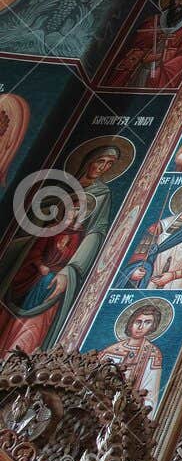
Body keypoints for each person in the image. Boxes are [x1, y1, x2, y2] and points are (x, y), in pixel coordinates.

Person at [0, 142, 127, 352]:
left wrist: (71, 269)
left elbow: (97, 230)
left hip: (62, 262)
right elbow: (34, 216)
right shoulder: (61, 185)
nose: (104, 167)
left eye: (109, 164)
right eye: (101, 161)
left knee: (45, 302)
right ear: (89, 161)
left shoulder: (102, 193)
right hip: (30, 259)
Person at [122, 182, 182, 291]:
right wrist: (134, 271)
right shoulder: (160, 226)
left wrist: (174, 275)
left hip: (178, 282)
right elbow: (141, 253)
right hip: (151, 281)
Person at [107, 0, 182, 88]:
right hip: (147, 56)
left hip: (172, 57)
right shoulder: (155, 19)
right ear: (173, 0)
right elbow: (139, 40)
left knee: (170, 67)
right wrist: (151, 45)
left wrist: (162, 57)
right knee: (128, 71)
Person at [96, 301, 167, 413]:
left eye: (147, 322)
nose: (141, 327)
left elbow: (150, 395)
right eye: (138, 321)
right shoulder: (110, 351)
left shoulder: (153, 353)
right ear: (131, 323)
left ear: (153, 326)